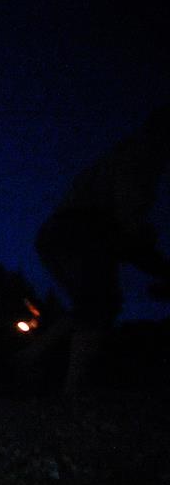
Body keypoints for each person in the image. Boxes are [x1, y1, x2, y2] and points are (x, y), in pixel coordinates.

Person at [32, 104, 170, 391]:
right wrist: (155, 261)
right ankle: (75, 387)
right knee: (100, 304)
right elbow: (127, 218)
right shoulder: (140, 156)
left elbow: (127, 225)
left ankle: (27, 361)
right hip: (77, 233)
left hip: (65, 234)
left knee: (93, 304)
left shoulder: (135, 155)